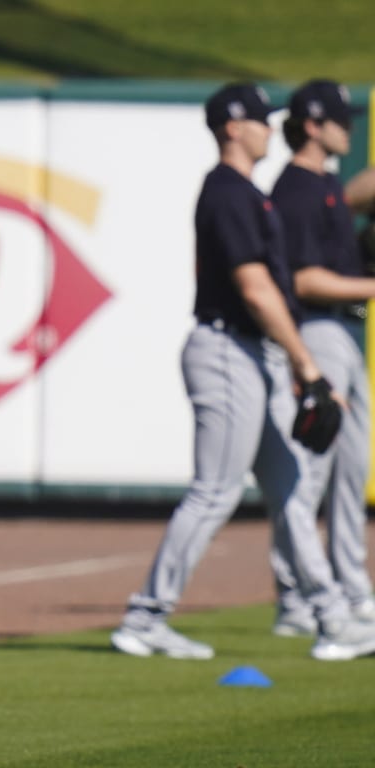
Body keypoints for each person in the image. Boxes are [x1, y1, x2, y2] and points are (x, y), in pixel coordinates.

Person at [110, 83, 375, 662]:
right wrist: (307, 367)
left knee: (290, 492)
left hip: (254, 354)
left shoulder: (249, 193)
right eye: (258, 121)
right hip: (229, 350)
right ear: (234, 127)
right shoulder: (228, 191)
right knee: (215, 491)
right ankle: (145, 617)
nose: (265, 130)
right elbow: (255, 290)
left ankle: (334, 619)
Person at [267, 80, 375, 636]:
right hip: (315, 331)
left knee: (351, 469)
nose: (348, 127)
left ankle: (351, 588)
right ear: (312, 124)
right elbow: (305, 279)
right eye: (338, 118)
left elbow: (363, 190)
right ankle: (296, 599)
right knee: (307, 473)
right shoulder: (296, 192)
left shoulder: (327, 185)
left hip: (342, 333)